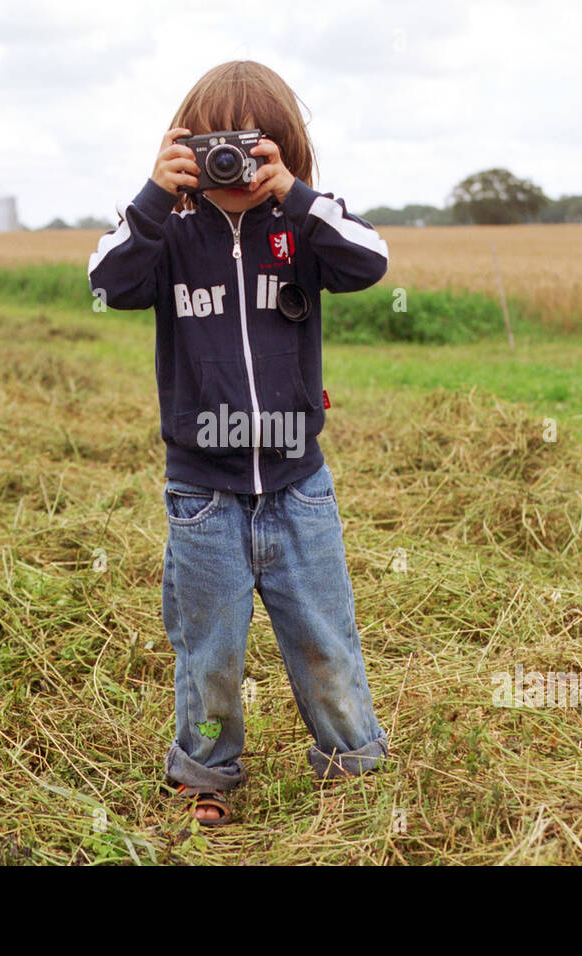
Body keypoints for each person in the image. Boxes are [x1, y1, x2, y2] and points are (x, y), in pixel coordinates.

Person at [87, 60, 390, 826]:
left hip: (299, 486)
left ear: (281, 147)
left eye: (254, 146)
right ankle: (206, 777)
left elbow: (370, 260)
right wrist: (157, 195)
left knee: (326, 642)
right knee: (210, 654)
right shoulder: (169, 232)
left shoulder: (303, 224)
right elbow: (105, 282)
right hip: (202, 495)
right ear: (189, 145)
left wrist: (293, 192)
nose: (237, 163)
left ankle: (352, 762)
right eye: (219, 145)